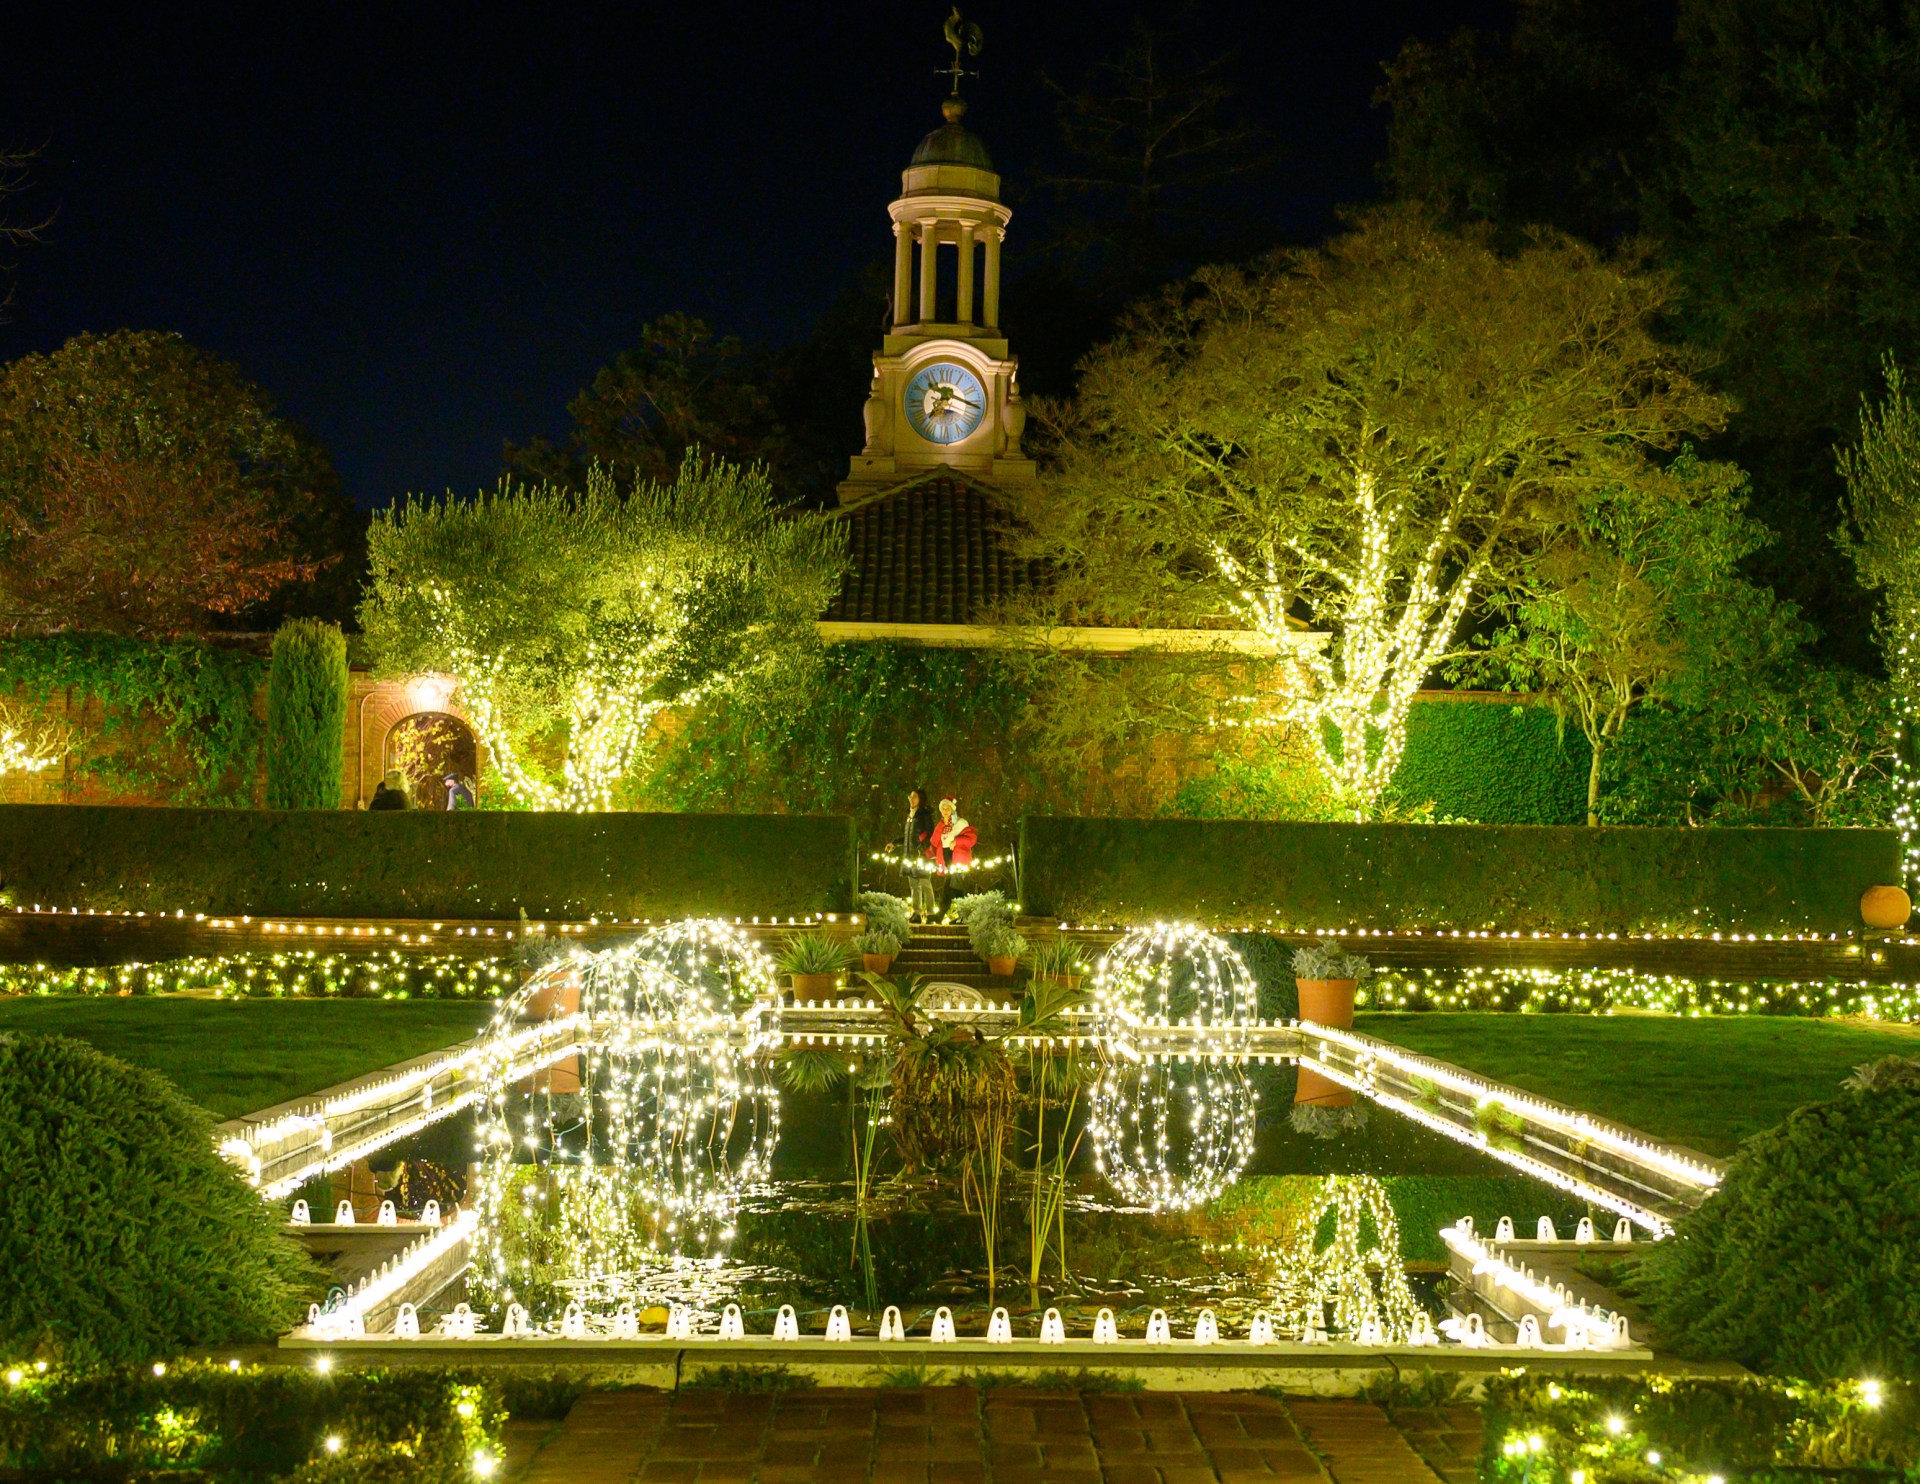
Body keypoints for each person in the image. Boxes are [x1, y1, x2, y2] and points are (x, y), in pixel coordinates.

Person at [925, 795, 977, 908]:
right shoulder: (941, 825)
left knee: (954, 886)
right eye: (943, 808)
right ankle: (955, 911)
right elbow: (934, 841)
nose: (945, 811)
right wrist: (941, 825)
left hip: (958, 858)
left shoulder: (961, 823)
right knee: (952, 885)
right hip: (945, 857)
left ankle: (949, 911)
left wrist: (957, 841)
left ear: (952, 809)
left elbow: (971, 839)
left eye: (948, 808)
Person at [903, 786, 936, 922]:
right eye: (910, 796)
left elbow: (931, 834)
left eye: (915, 796)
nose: (911, 799)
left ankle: (931, 913)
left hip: (921, 856)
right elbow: (908, 837)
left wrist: (921, 848)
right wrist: (894, 843)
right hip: (910, 856)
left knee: (925, 883)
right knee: (914, 885)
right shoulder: (910, 815)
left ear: (920, 799)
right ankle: (916, 913)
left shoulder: (924, 815)